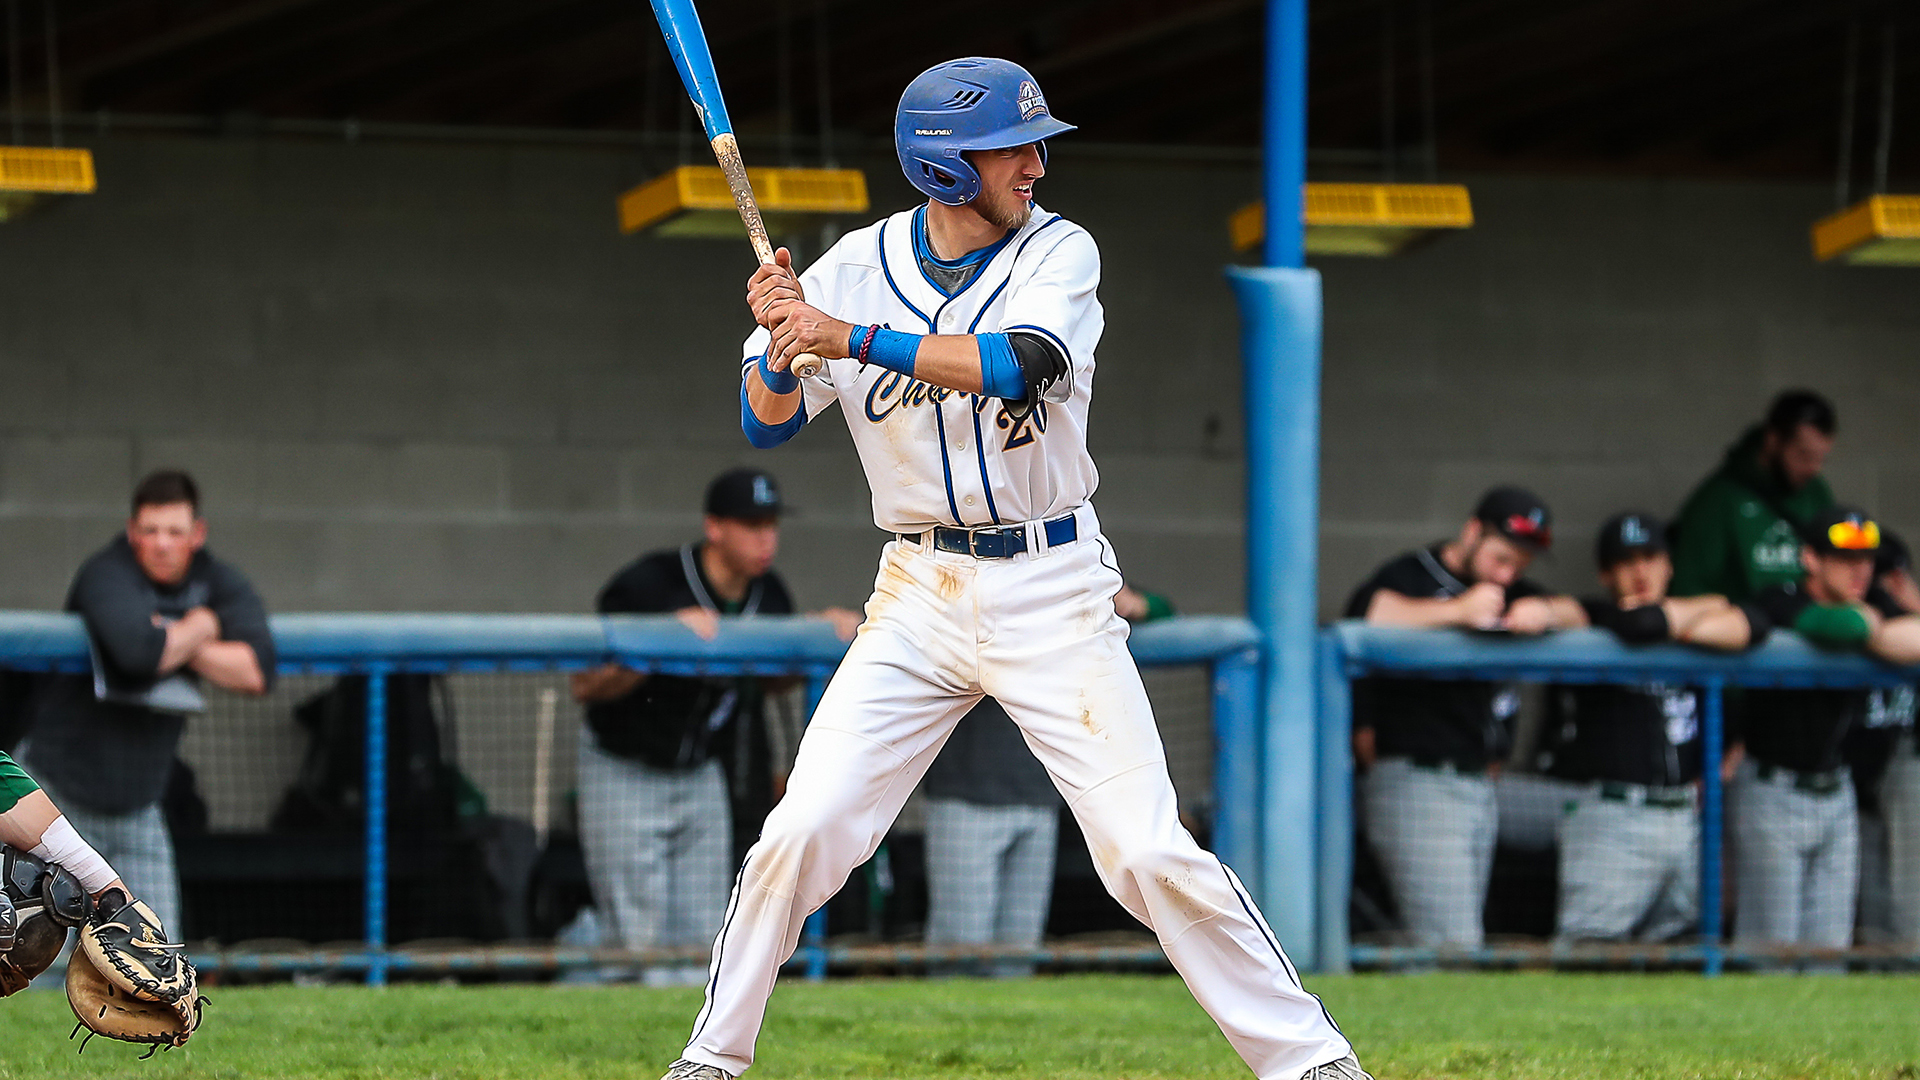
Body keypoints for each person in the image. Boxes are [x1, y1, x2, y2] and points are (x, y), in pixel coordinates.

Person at [665, 58, 1365, 1080]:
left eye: (1035, 143)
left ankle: (1311, 1062)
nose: (1036, 163)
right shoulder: (851, 267)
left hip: (1052, 585)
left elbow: (1020, 362)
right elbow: (764, 424)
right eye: (1012, 148)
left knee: (1145, 849)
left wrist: (840, 334)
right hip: (918, 591)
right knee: (802, 829)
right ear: (944, 166)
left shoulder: (1059, 251)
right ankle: (711, 1060)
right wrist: (781, 343)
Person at [569, 469, 858, 986]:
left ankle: (688, 1029)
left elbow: (769, 682)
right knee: (634, 935)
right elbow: (584, 686)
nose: (766, 539)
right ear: (715, 527)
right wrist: (657, 642)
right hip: (624, 766)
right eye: (751, 525)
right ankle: (596, 984)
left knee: (705, 929)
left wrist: (816, 636)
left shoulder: (769, 594)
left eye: (771, 525)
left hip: (702, 772)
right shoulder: (651, 582)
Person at [22, 469, 274, 936]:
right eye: (150, 530)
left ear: (197, 534)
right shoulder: (106, 571)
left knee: (156, 951)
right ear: (132, 532)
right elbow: (138, 654)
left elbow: (257, 671)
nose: (161, 544)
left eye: (174, 532)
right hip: (57, 799)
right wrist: (202, 626)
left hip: (138, 807)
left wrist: (176, 639)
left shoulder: (215, 581)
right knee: (40, 950)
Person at [1344, 486, 1583, 948]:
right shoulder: (1411, 574)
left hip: (1479, 787)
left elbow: (1582, 614)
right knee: (1452, 942)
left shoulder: (1511, 591)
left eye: (1520, 565)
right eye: (1501, 558)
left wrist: (1545, 610)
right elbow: (1366, 614)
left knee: (1453, 937)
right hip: (1416, 779)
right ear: (1473, 532)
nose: (1508, 573)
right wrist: (1456, 612)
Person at [920, 583, 1174, 978]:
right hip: (966, 797)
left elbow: (1160, 609)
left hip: (1040, 798)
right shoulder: (963, 582)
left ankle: (1006, 1020)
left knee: (1019, 951)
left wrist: (1135, 603)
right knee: (960, 948)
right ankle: (944, 1020)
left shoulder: (1064, 583)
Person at [1541, 512, 1764, 942]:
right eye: (1626, 561)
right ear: (1606, 574)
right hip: (1613, 815)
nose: (1640, 571)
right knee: (1592, 950)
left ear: (1669, 565)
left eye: (1650, 558)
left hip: (1685, 818)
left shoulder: (1700, 635)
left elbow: (1753, 623)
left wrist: (1723, 764)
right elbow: (1608, 618)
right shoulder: (1598, 621)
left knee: (1683, 947)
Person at [1740, 507, 1920, 954]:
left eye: (1866, 559)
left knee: (1830, 950)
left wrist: (1883, 622)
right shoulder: (1781, 598)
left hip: (1837, 793)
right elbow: (1837, 624)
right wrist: (1872, 626)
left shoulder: (1873, 602)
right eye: (1845, 559)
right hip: (1774, 790)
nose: (1861, 570)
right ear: (1811, 560)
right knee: (1772, 950)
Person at [1670, 390, 1837, 601]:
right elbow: (1689, 587)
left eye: (1820, 459)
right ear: (1772, 440)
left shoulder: (1816, 493)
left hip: (1809, 616)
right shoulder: (1718, 499)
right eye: (1803, 455)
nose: (1813, 468)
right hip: (1744, 619)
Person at [1846, 529, 1920, 943]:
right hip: (1848, 774)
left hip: (1899, 766)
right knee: (1867, 893)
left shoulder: (1904, 623)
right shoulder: (1844, 623)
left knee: (1907, 891)